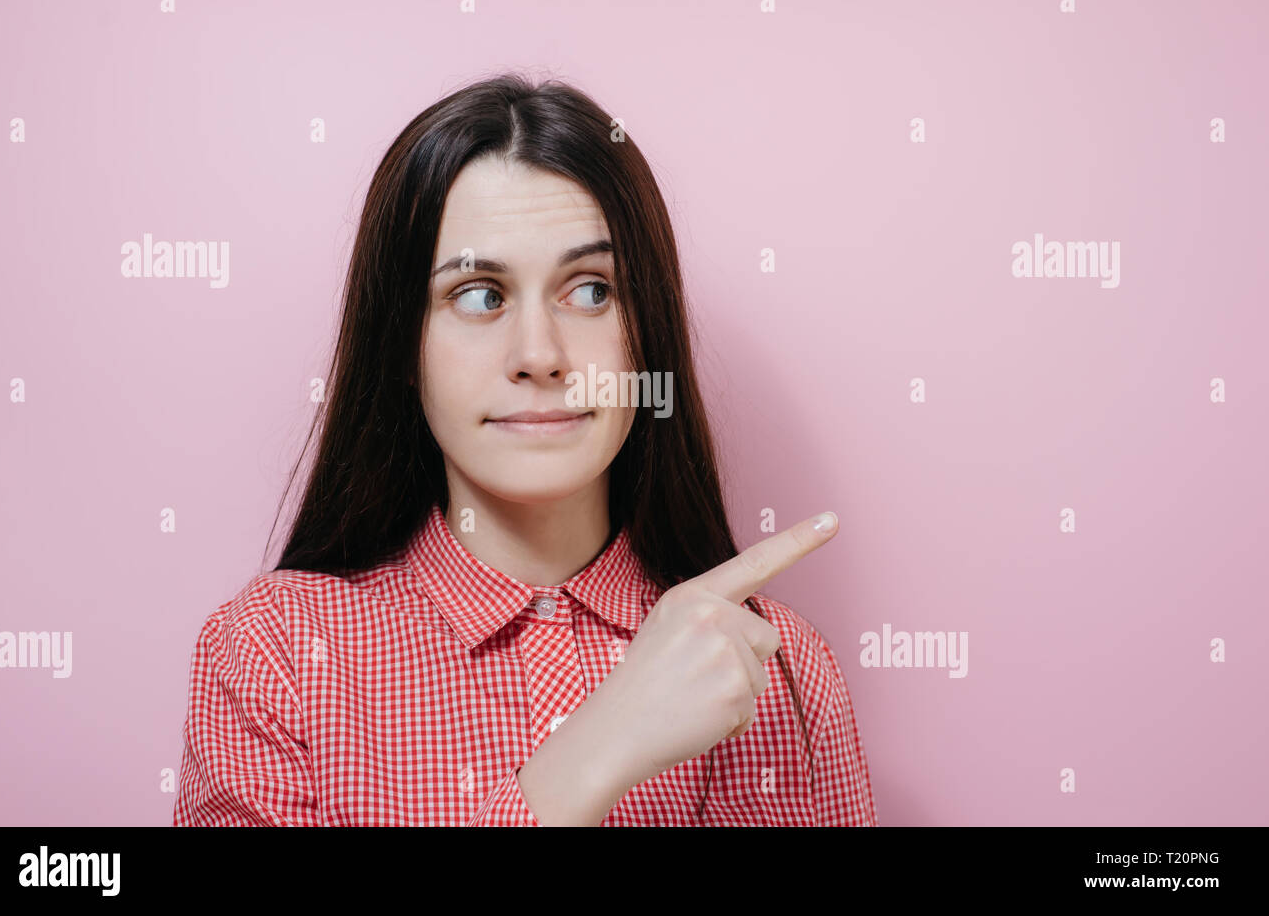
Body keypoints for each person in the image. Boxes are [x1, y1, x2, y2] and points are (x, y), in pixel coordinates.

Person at [171, 72, 878, 826]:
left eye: (591, 291)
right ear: (404, 350)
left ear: (648, 342)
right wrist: (596, 751)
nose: (539, 355)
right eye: (479, 294)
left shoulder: (778, 668)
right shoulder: (273, 652)